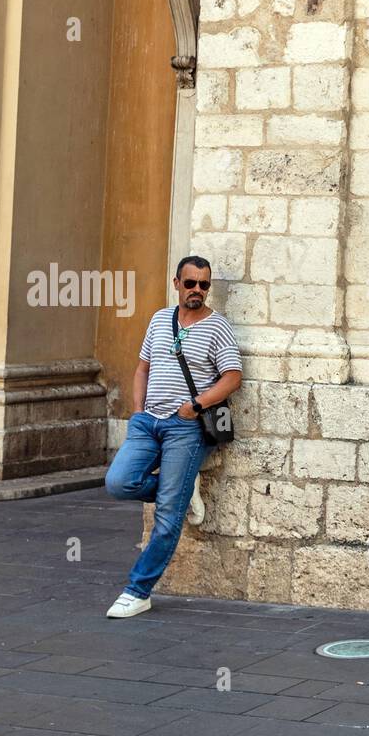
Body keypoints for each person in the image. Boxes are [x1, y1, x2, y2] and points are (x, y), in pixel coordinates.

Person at [103, 256, 242, 618]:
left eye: (204, 285)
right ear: (176, 282)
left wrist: (195, 406)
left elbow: (231, 377)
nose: (197, 290)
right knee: (119, 483)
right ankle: (181, 489)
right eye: (191, 283)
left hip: (187, 427)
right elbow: (142, 368)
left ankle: (138, 590)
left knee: (167, 515)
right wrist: (138, 410)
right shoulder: (159, 319)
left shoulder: (217, 327)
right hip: (148, 422)